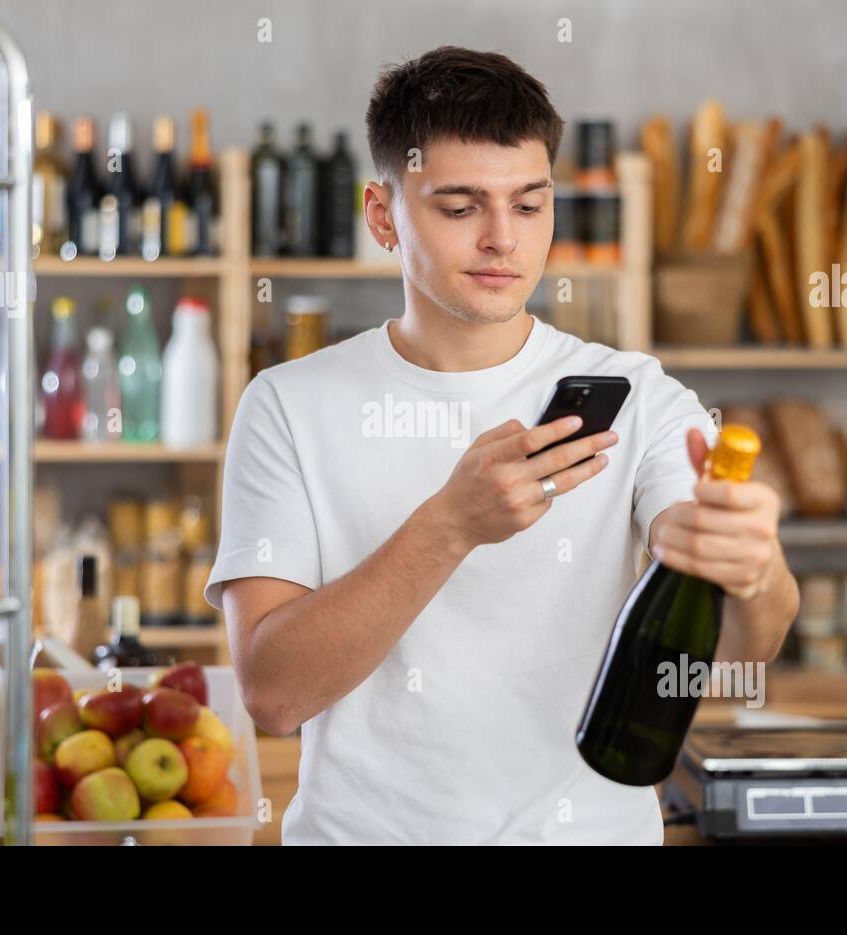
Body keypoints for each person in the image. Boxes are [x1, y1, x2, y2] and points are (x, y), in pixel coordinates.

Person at [204, 46, 799, 844]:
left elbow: (741, 652)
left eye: (529, 205)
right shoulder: (287, 405)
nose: (502, 240)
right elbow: (273, 695)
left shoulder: (644, 397)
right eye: (460, 208)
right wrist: (450, 525)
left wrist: (751, 568)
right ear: (383, 215)